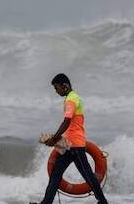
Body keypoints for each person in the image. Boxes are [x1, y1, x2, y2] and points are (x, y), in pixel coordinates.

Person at [33, 74, 108, 204]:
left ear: (65, 86)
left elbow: (66, 121)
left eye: (57, 88)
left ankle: (103, 201)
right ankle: (46, 203)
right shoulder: (73, 97)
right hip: (68, 144)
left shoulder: (71, 100)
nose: (56, 91)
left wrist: (54, 139)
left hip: (75, 145)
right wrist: (57, 140)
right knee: (56, 175)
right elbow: (70, 124)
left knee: (88, 176)